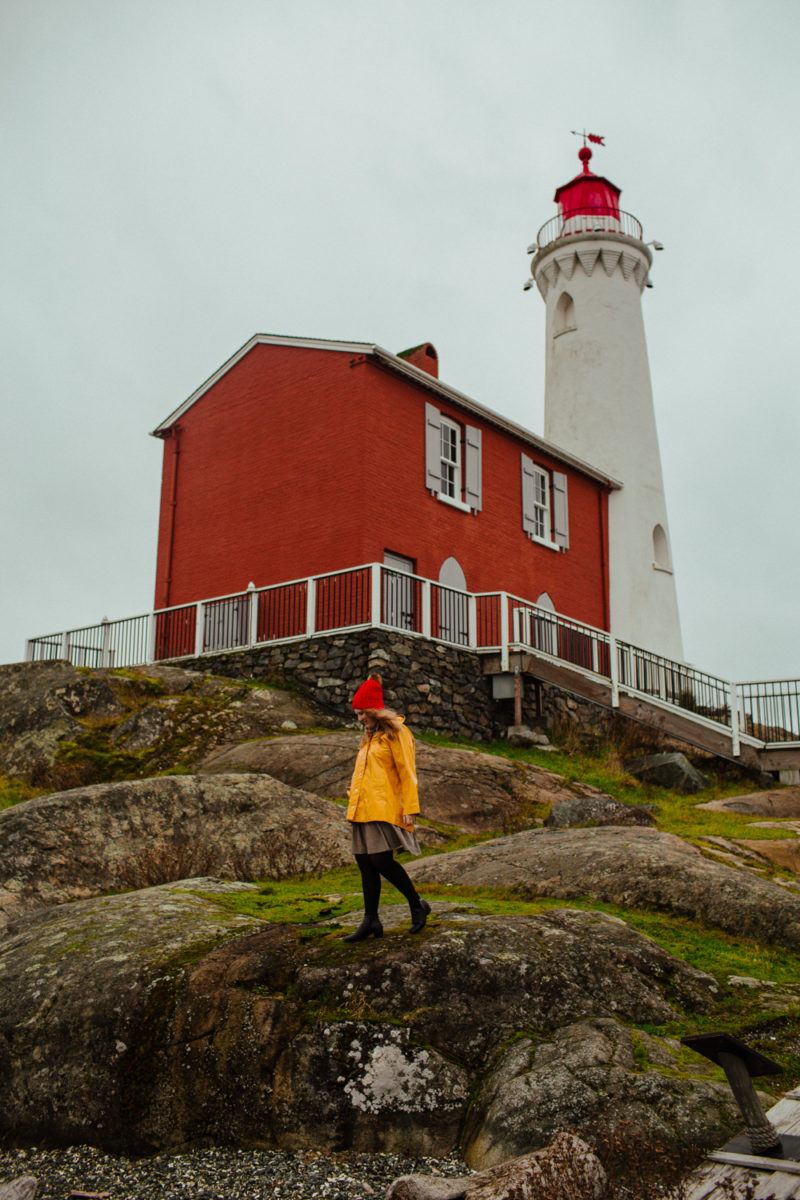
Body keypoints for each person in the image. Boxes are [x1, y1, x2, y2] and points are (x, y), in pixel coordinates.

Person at [343, 673, 431, 942]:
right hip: (362, 807)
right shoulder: (369, 736)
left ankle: (417, 904)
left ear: (373, 711)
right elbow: (366, 770)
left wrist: (410, 807)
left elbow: (407, 771)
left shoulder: (397, 733)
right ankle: (371, 920)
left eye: (361, 713)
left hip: (384, 806)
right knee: (364, 862)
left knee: (381, 860)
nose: (359, 719)